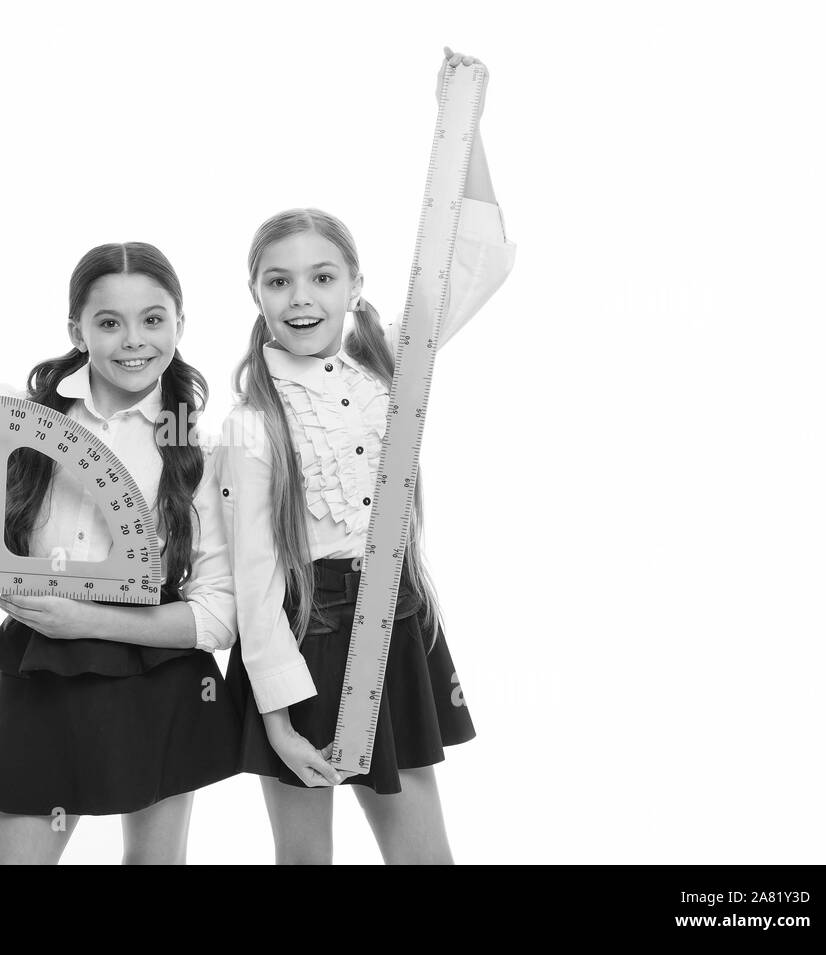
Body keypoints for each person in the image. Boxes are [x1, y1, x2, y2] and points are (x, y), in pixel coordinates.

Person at [217, 48, 516, 864]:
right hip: (302, 631)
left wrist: (467, 124)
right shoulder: (250, 422)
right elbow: (251, 577)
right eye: (278, 282)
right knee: (305, 857)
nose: (301, 297)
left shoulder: (396, 362)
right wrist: (275, 711)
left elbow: (483, 260)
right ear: (255, 294)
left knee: (426, 856)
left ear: (355, 283)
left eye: (322, 276)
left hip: (399, 617)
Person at [0, 242, 239, 864]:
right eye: (109, 322)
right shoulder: (21, 422)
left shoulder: (202, 449)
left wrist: (87, 620)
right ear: (76, 328)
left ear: (180, 325)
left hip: (159, 674)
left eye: (153, 319)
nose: (134, 340)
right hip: (44, 669)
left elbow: (217, 614)